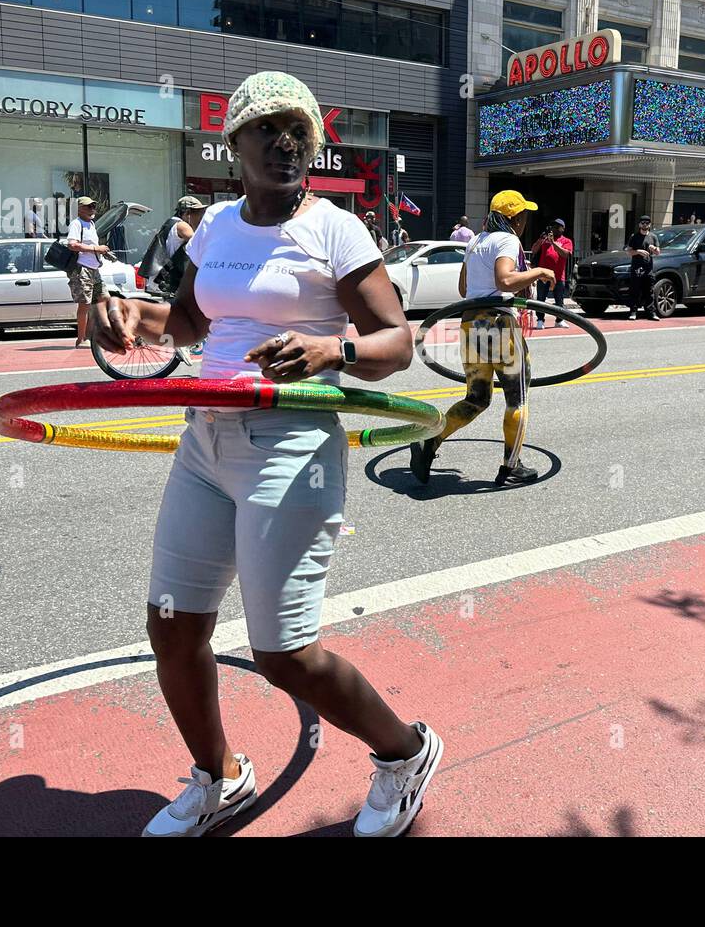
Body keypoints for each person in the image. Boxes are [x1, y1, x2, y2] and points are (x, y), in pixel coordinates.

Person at [93, 71, 439, 839]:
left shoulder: (334, 229)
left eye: (300, 132)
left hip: (291, 445)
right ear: (234, 144)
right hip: (205, 439)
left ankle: (405, 751)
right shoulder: (214, 224)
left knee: (282, 652)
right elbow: (185, 319)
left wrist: (330, 346)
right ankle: (218, 777)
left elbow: (397, 343)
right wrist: (134, 322)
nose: (286, 142)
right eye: (268, 130)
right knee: (172, 624)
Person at [408, 190, 555, 487]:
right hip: (499, 323)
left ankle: (429, 441)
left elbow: (464, 288)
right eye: (523, 215)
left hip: (471, 323)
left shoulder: (475, 241)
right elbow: (505, 280)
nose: (525, 220)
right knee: (517, 397)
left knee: (476, 398)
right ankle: (511, 467)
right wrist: (539, 271)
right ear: (515, 218)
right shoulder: (509, 239)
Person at [66, 196, 112, 348]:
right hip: (82, 269)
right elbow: (72, 245)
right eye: (88, 206)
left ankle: (90, 334)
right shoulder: (76, 224)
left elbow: (92, 245)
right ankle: (81, 339)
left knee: (104, 298)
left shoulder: (91, 224)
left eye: (93, 206)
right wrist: (96, 249)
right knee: (84, 305)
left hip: (94, 269)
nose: (92, 209)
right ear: (79, 208)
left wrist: (102, 252)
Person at [140, 195, 205, 295]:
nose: (200, 218)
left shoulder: (170, 223)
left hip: (158, 280)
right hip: (166, 282)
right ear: (187, 213)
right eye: (198, 214)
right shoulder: (182, 226)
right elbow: (200, 244)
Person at [531, 218, 574, 328]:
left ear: (562, 229)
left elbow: (565, 254)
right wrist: (541, 240)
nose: (554, 229)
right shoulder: (544, 239)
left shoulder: (566, 241)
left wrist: (553, 243)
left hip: (559, 276)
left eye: (557, 227)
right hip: (544, 276)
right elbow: (534, 250)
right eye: (553, 226)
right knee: (541, 299)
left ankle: (559, 320)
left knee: (559, 300)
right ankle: (540, 320)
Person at [626, 215, 660, 321]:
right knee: (634, 290)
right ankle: (633, 311)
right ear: (639, 224)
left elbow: (658, 252)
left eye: (647, 223)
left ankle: (651, 313)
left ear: (650, 225)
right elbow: (628, 251)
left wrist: (654, 249)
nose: (645, 225)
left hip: (648, 268)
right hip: (636, 268)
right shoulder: (634, 236)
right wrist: (638, 252)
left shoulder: (653, 237)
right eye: (643, 223)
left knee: (649, 291)